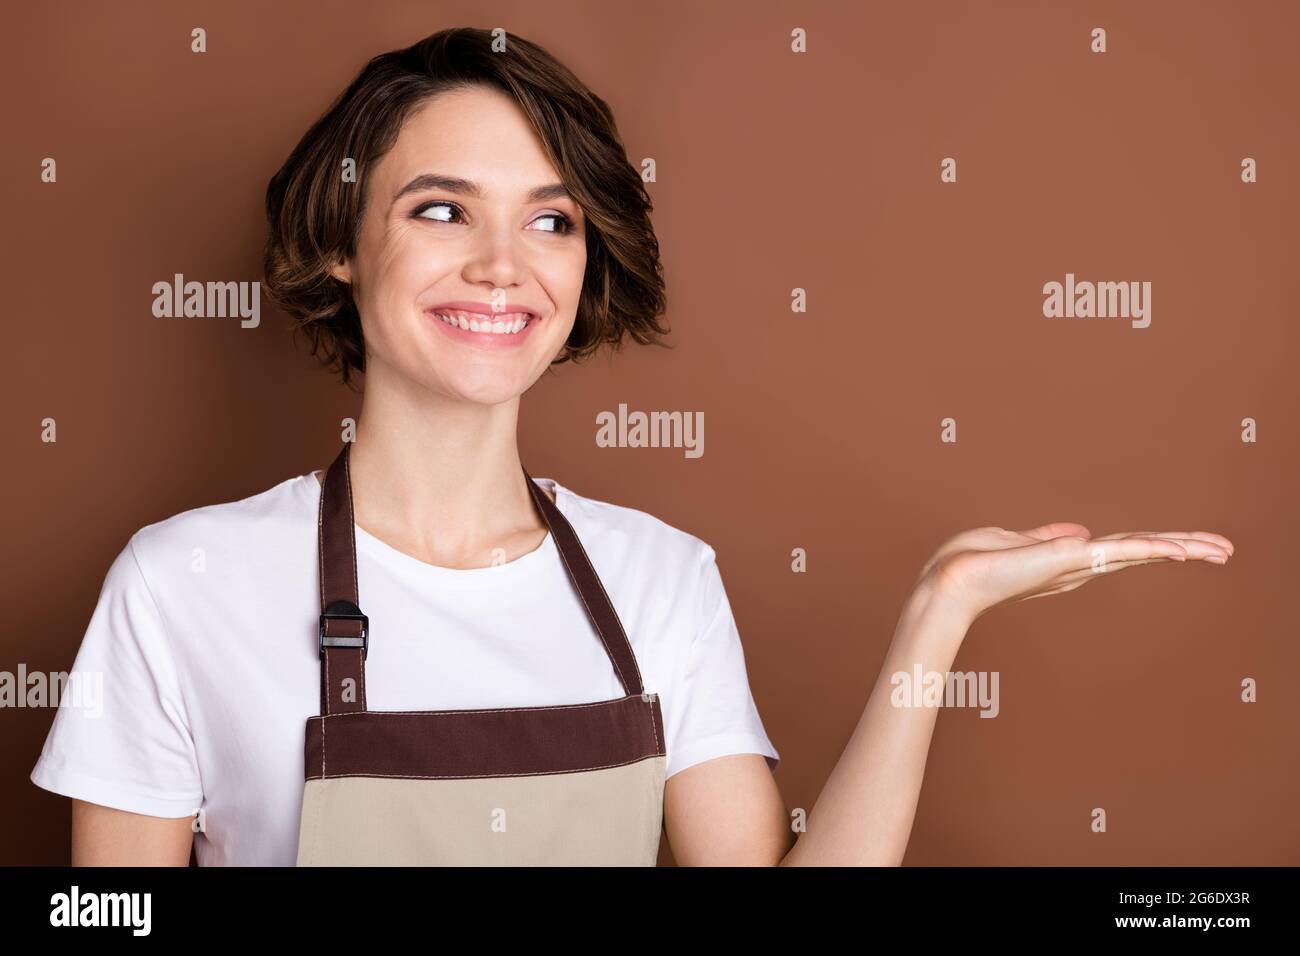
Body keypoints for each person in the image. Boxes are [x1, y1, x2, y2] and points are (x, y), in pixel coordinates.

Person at [30, 27, 1233, 866]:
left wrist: (940, 612)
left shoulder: (658, 578)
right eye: (440, 208)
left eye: (549, 219)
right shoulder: (182, 582)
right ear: (341, 243)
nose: (503, 264)